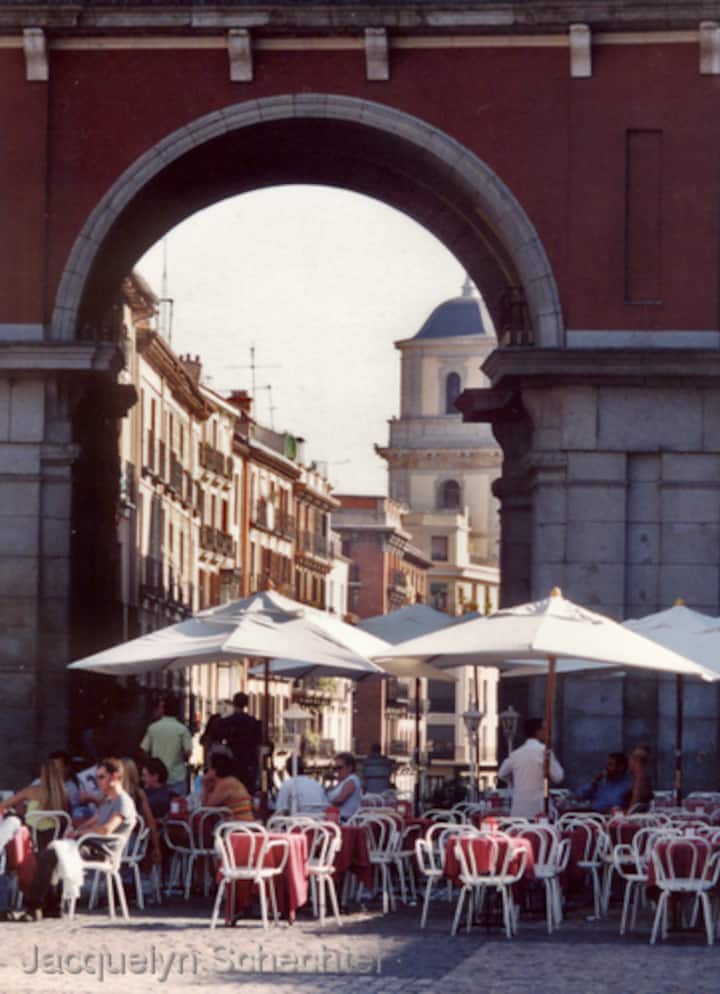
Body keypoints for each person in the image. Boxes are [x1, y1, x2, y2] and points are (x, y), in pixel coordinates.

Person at [14, 757, 136, 922]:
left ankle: (35, 906)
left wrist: (80, 833)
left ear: (114, 777)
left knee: (51, 854)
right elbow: (93, 821)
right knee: (51, 851)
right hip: (89, 845)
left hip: (102, 851)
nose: (98, 781)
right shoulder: (108, 800)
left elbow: (107, 829)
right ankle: (51, 906)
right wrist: (75, 831)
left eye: (101, 777)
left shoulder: (123, 802)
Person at [497, 717, 564, 818]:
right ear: (538, 731)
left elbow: (502, 774)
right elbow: (558, 776)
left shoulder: (516, 754)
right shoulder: (544, 752)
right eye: (545, 729)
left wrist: (513, 782)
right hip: (539, 807)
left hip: (519, 808)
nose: (547, 732)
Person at [0, 759, 70, 849]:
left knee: (11, 820)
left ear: (42, 774)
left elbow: (4, 805)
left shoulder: (31, 791)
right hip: (54, 841)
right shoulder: (64, 794)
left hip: (31, 841)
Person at [140, 694, 192, 796]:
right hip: (177, 776)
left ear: (163, 709)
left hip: (157, 776)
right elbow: (188, 753)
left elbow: (143, 750)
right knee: (177, 805)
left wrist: (151, 763)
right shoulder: (182, 729)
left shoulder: (153, 728)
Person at [213, 691, 263, 791]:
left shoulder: (225, 722)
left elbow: (217, 738)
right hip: (249, 760)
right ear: (246, 704)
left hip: (231, 760)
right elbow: (259, 742)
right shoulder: (253, 722)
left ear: (234, 703)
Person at [201, 753, 254, 821]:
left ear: (214, 770)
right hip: (240, 823)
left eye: (209, 768)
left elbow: (206, 809)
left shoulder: (225, 784)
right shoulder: (231, 781)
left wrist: (205, 785)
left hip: (238, 825)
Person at [327, 752, 362, 822]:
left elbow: (340, 800)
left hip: (345, 819)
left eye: (340, 768)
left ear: (350, 768)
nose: (337, 771)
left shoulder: (352, 780)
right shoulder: (344, 781)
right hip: (336, 817)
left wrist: (324, 804)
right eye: (335, 768)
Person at [626, 745, 653, 812]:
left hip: (632, 818)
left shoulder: (640, 779)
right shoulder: (644, 777)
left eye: (630, 759)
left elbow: (635, 801)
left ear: (635, 760)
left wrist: (625, 813)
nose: (628, 763)